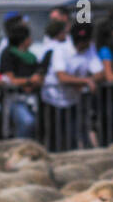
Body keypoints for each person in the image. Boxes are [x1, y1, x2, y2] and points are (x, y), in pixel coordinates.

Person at [42, 22, 103, 151]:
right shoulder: (60, 50)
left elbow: (99, 73)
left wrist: (85, 81)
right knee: (54, 139)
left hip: (73, 101)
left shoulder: (89, 49)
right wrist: (85, 81)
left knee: (72, 139)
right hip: (54, 101)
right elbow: (62, 76)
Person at [0, 21, 42, 141]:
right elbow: (9, 79)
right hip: (14, 98)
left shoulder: (31, 56)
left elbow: (38, 75)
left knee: (34, 125)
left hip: (31, 98)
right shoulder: (7, 54)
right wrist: (28, 81)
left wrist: (35, 82)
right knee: (27, 122)